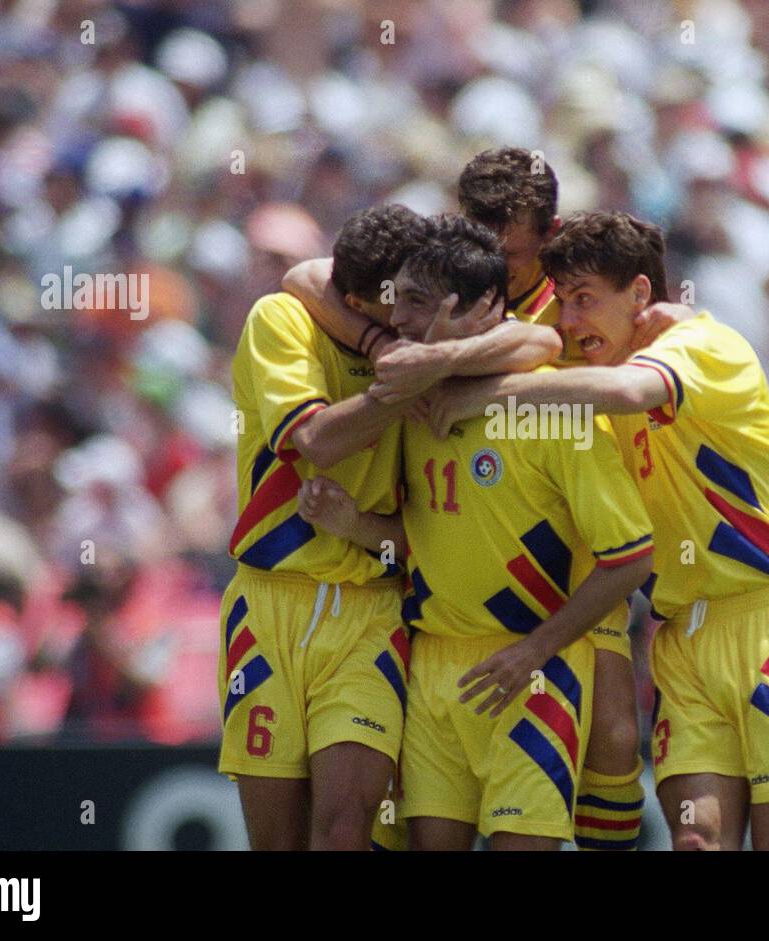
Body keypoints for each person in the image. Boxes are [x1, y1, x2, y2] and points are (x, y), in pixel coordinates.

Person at [284, 148, 690, 849]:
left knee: (615, 738)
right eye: (481, 233)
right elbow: (306, 275)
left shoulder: (559, 295)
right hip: (447, 598)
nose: (498, 259)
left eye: (513, 252)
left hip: (557, 556)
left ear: (546, 236)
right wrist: (393, 347)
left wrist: (444, 366)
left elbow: (535, 340)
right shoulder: (441, 273)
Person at [429, 211, 769, 850]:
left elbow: (629, 390)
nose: (568, 321)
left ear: (642, 295)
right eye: (562, 302)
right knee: (694, 841)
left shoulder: (704, 346)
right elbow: (523, 340)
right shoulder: (584, 379)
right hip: (681, 641)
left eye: (584, 300)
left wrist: (488, 397)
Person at [219, 204, 439, 850]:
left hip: (369, 613)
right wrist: (394, 382)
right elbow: (312, 438)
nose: (405, 323)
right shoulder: (279, 322)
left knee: (346, 830)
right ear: (352, 299)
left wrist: (390, 353)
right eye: (388, 311)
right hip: (269, 605)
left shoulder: (416, 342)